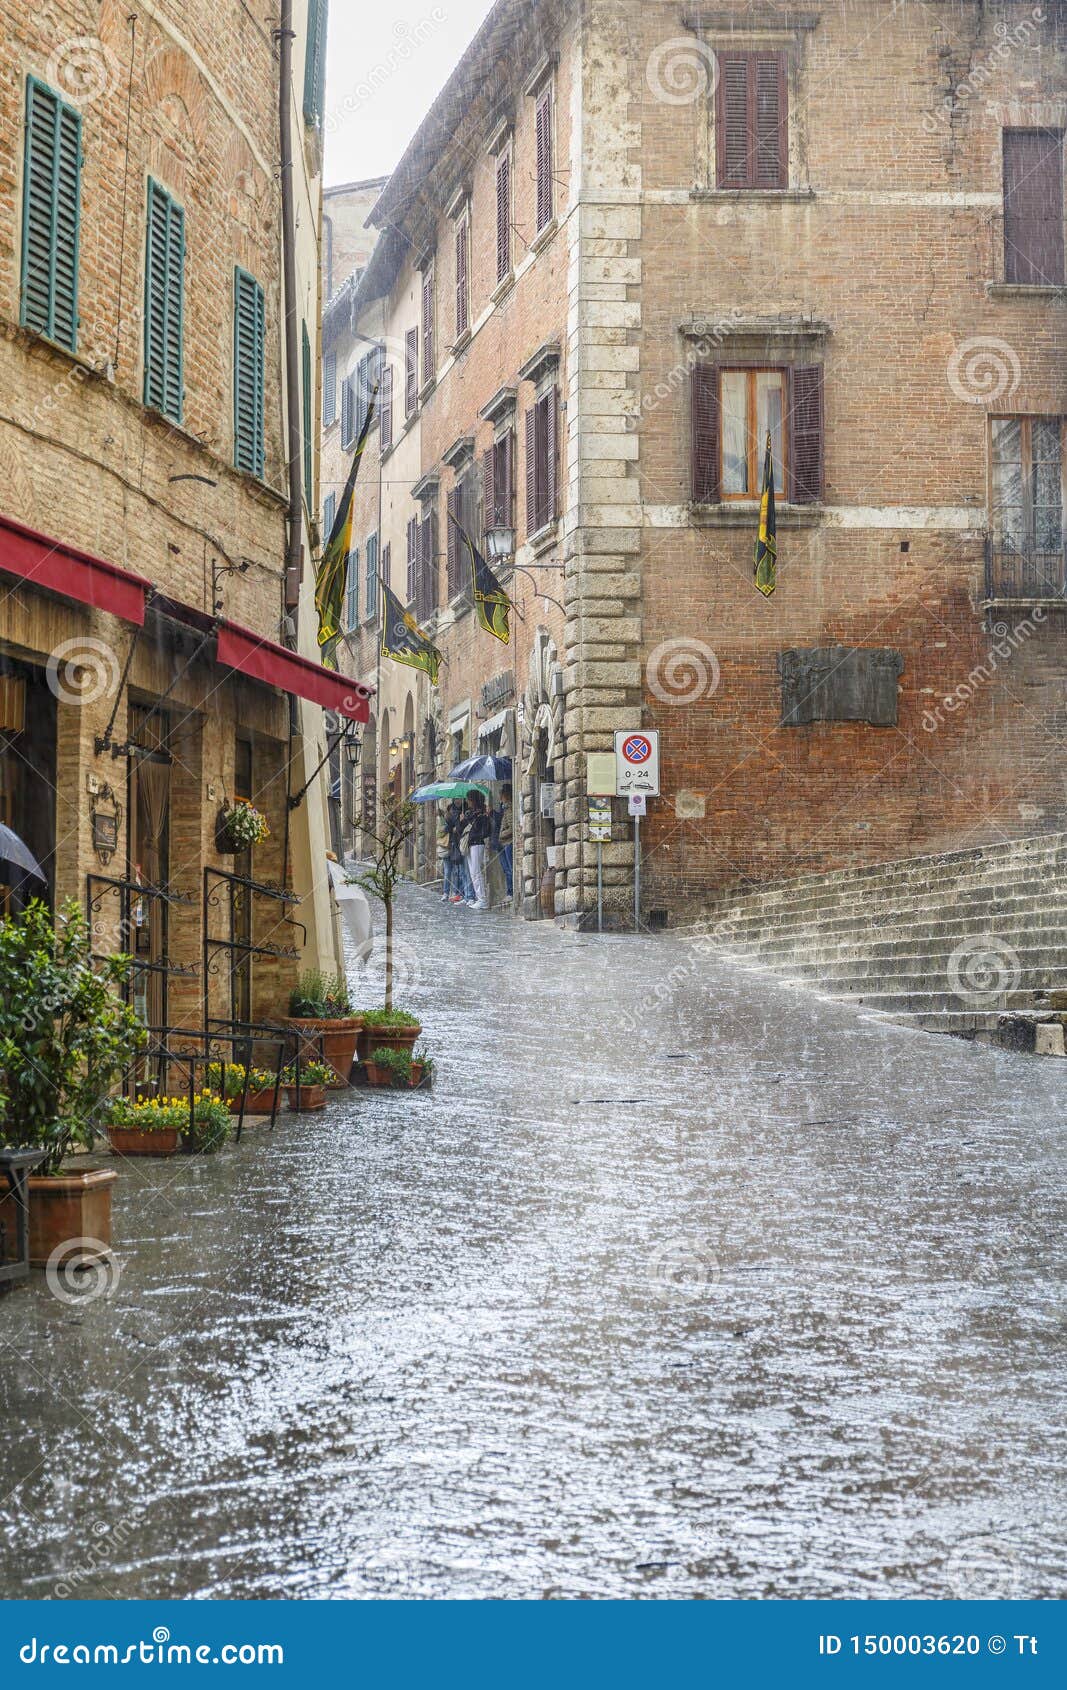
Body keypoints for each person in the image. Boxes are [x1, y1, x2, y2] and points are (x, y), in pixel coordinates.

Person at [462, 791, 492, 911]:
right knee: (472, 872)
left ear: (473, 800)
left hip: (477, 844)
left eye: (469, 799)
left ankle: (482, 899)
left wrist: (470, 822)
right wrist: (464, 819)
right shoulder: (471, 813)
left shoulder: (482, 814)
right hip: (470, 844)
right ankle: (478, 897)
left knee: (476, 871)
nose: (468, 802)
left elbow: (484, 831)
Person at [496, 784, 514, 898]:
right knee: (506, 868)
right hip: (505, 843)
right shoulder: (505, 808)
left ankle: (511, 892)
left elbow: (512, 828)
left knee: (510, 869)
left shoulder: (510, 809)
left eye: (501, 796)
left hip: (508, 842)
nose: (500, 798)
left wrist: (501, 835)